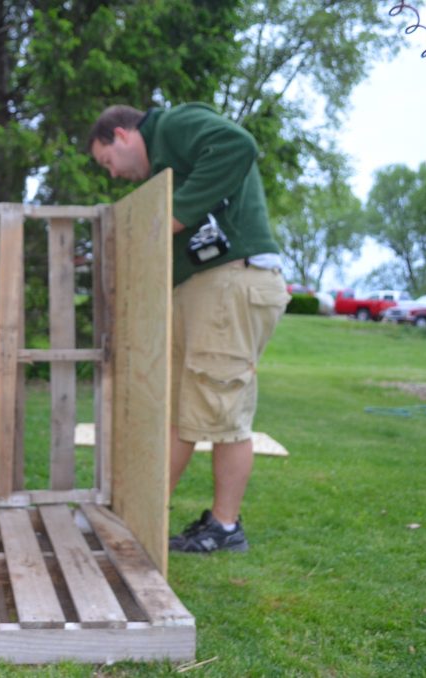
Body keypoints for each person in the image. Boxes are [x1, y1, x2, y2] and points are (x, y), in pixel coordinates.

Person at [88, 103, 290, 553]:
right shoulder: (164, 160)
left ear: (122, 135)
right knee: (184, 410)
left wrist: (173, 218)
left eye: (108, 162)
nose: (115, 175)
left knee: (223, 404)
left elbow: (238, 145)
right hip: (207, 286)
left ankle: (224, 526)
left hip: (232, 281)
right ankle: (140, 513)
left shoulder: (173, 125)